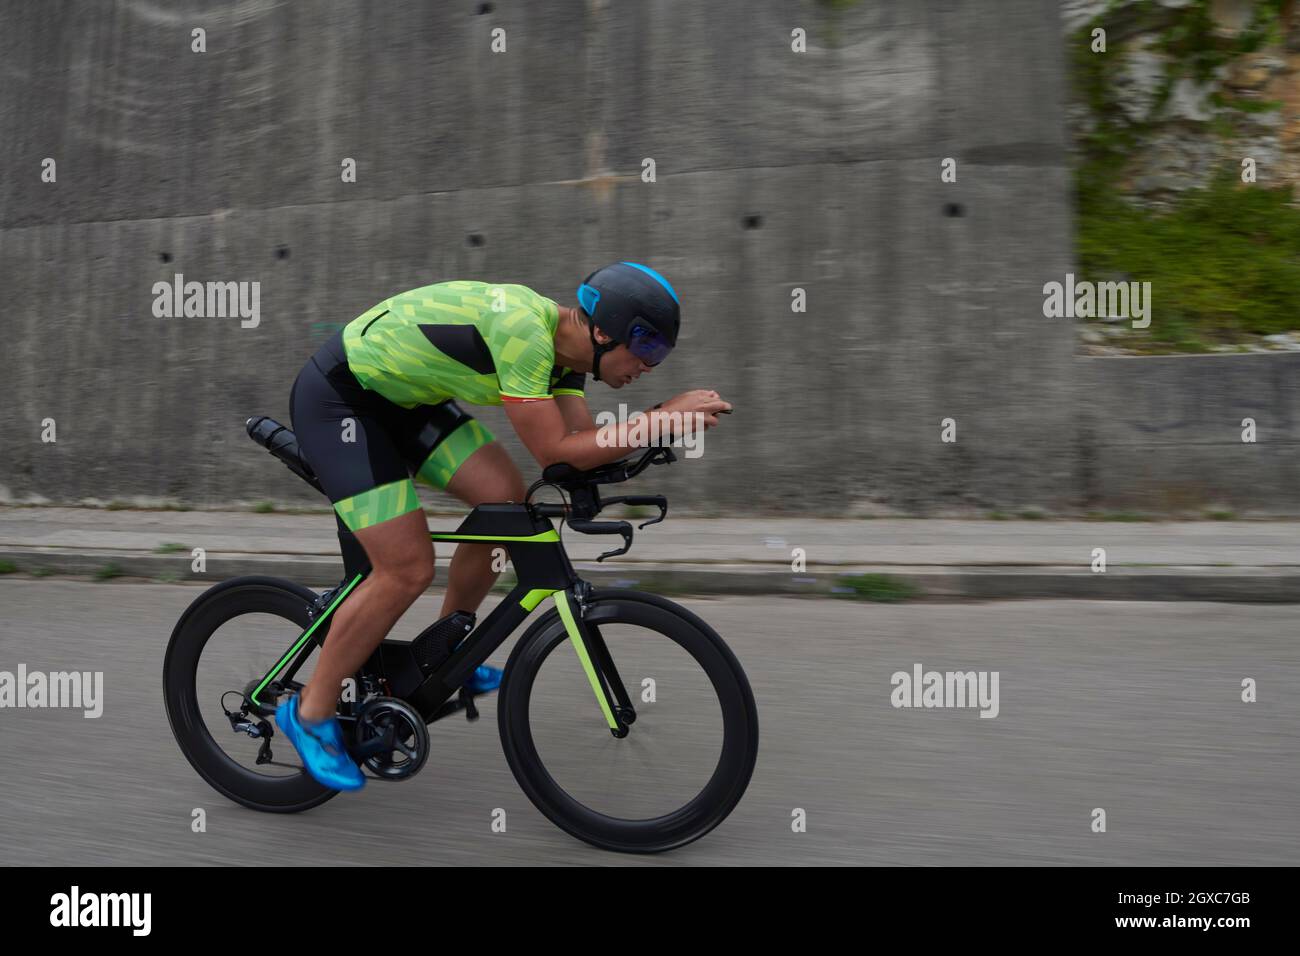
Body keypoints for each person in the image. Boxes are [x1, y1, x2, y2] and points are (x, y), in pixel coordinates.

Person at [275, 263, 732, 790]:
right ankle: (309, 712)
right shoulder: (525, 332)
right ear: (605, 332)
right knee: (405, 567)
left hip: (404, 406)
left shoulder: (568, 360)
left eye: (661, 355)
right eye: (647, 348)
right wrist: (659, 418)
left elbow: (580, 455)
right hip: (341, 401)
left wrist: (650, 429)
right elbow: (555, 450)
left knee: (505, 505)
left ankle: (444, 651)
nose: (649, 366)